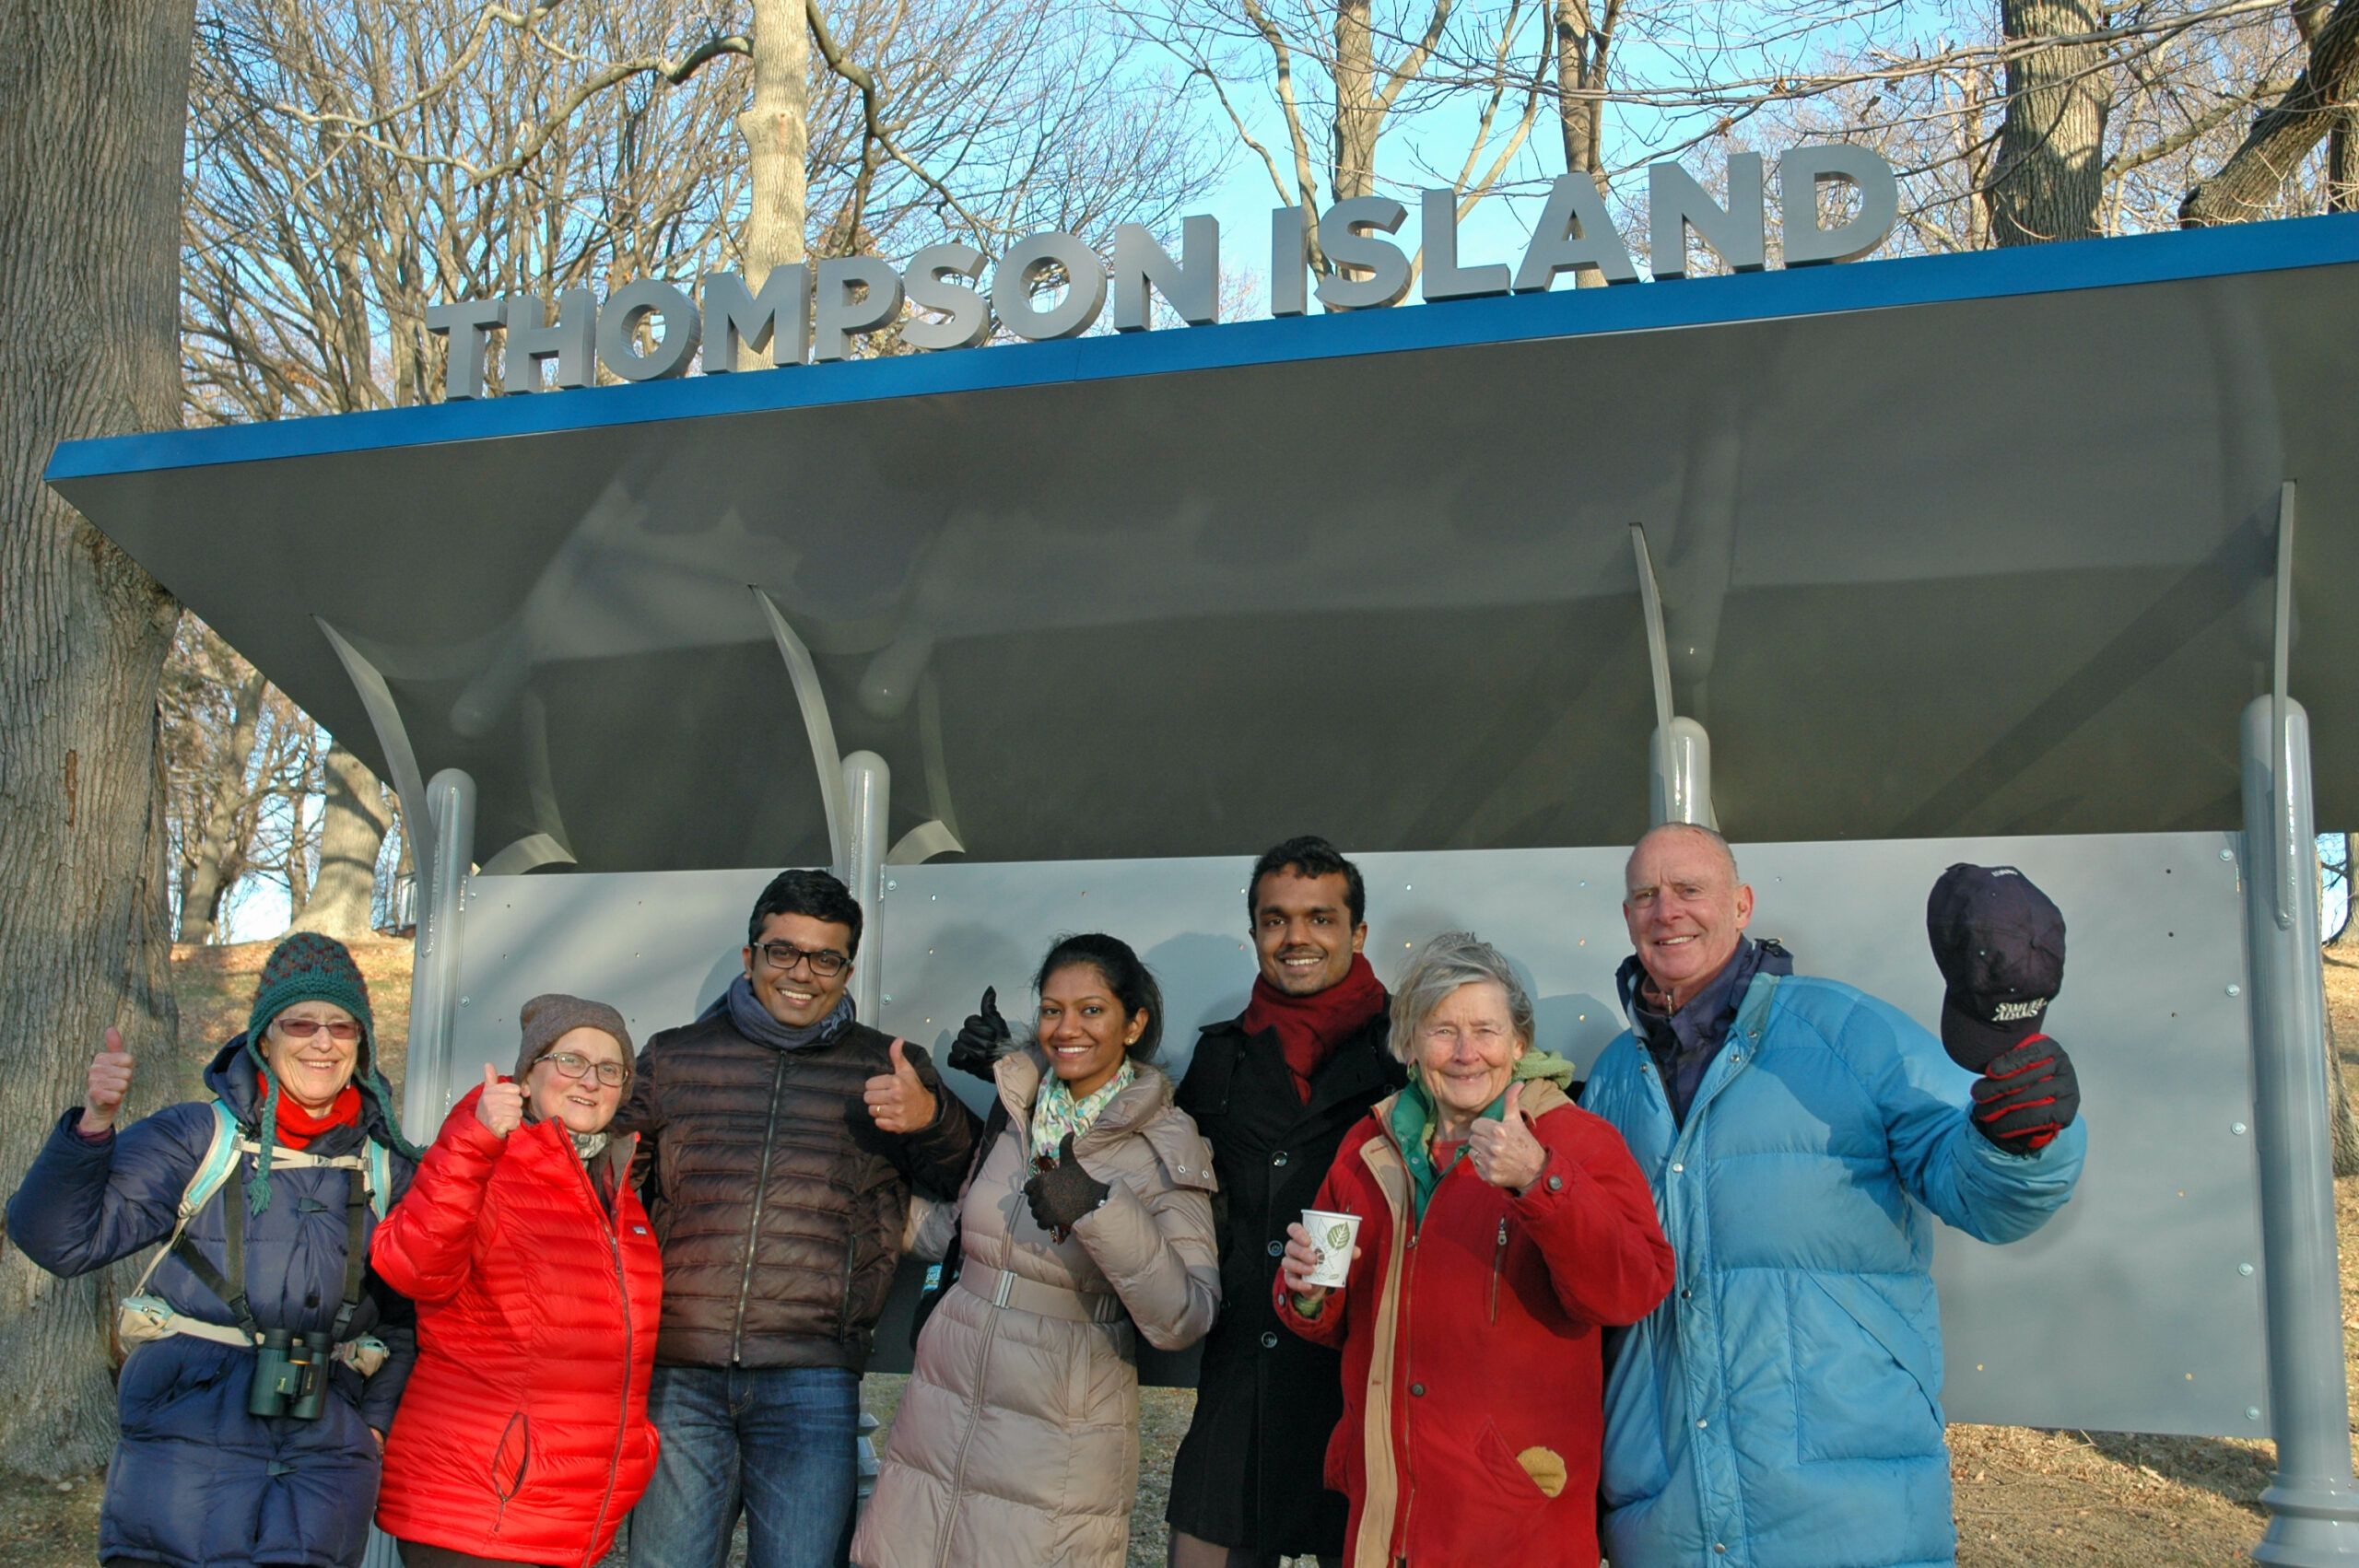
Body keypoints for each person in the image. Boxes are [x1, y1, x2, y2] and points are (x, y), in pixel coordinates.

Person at [1580, 825, 2088, 1568]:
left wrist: (2026, 1138)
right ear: (1627, 917)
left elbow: (1981, 1191)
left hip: (1851, 1517)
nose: (1668, 911)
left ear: (1741, 904)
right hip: (1668, 1525)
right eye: (1646, 895)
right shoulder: (1611, 1079)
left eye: (1690, 889)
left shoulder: (1850, 1032)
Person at [6, 932, 419, 1568]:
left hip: (321, 1478)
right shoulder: (198, 1137)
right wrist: (91, 1126)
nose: (322, 1041)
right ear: (264, 1037)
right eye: (301, 1022)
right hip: (181, 1471)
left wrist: (372, 1428)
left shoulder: (387, 1167)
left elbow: (405, 1321)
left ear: (361, 1046)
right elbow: (58, 1241)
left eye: (342, 1027)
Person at [1273, 930, 1674, 1568]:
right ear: (1408, 1044)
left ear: (1519, 1044)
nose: (1466, 1054)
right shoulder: (1367, 1146)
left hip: (1511, 1521)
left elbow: (1632, 1288)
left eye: (1486, 1031)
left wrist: (1539, 1178)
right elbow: (1325, 1309)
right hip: (1384, 1517)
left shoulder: (1574, 1139)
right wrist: (1307, 1292)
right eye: (1442, 1031)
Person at [615, 869, 976, 1568]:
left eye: (826, 958)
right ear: (750, 956)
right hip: (680, 1375)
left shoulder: (890, 1065)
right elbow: (609, 1195)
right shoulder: (673, 1057)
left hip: (813, 1376)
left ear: (847, 969)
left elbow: (978, 1183)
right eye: (783, 952)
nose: (802, 974)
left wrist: (932, 1120)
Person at [851, 933, 1221, 1568]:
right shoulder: (1019, 1106)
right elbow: (961, 1230)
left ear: (1134, 1024)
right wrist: (853, 1204)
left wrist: (1098, 1207)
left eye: (1091, 1010)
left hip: (1057, 1429)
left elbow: (1185, 1315)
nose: (1066, 1028)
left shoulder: (1165, 1140)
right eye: (1052, 1009)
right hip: (945, 1406)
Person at [1166, 836, 1404, 1568]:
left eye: (1320, 918)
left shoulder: (1411, 1049)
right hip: (1245, 1374)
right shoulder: (1218, 1057)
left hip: (1361, 1376)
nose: (1297, 937)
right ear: (1256, 935)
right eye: (1276, 920)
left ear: (1358, 933)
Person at [371, 994, 663, 1568]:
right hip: (479, 1510)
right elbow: (410, 1265)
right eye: (570, 1061)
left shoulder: (613, 1188)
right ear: (528, 1074)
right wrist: (476, 1144)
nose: (591, 1081)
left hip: (562, 1515)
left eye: (610, 1069)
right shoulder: (488, 1160)